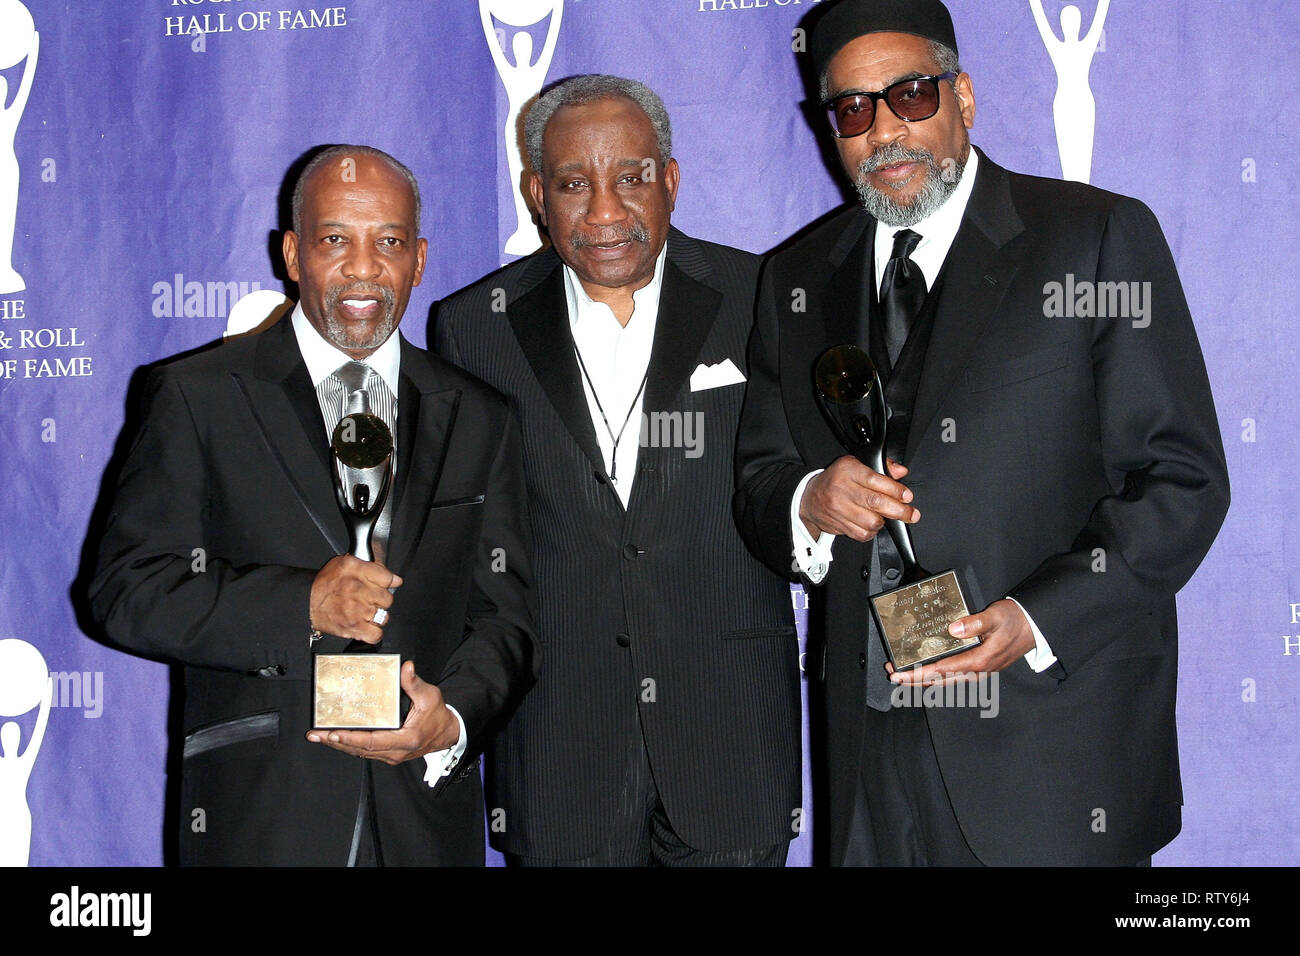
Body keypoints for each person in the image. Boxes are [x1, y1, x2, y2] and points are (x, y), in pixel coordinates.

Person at [734, 0, 1228, 866]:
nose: (884, 130)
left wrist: (1037, 619)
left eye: (911, 96)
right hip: (868, 764)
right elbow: (762, 477)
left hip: (1050, 753)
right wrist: (813, 501)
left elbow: (1181, 479)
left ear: (963, 96)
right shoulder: (798, 276)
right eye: (852, 110)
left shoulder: (1094, 237)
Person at [89, 145, 538, 866]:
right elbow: (126, 591)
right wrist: (300, 606)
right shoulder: (199, 396)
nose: (364, 268)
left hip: (425, 824)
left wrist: (448, 718)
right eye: (336, 240)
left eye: (388, 242)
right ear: (293, 255)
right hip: (260, 819)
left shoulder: (479, 416)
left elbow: (508, 619)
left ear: (419, 260)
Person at [436, 75, 801, 866]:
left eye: (632, 177)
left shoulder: (762, 297)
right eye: (574, 184)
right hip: (562, 750)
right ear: (537, 194)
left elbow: (798, 493)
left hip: (733, 742)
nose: (606, 212)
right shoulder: (473, 328)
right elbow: (470, 542)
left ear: (669, 180)